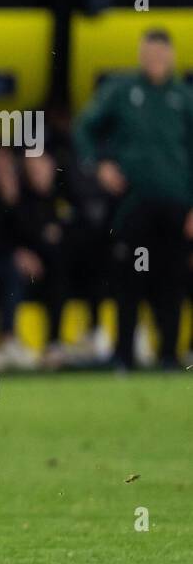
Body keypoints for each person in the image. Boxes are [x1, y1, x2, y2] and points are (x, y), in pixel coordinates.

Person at [74, 28, 193, 369]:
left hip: (176, 205)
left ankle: (169, 356)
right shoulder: (123, 92)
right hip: (134, 205)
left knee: (172, 281)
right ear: (141, 56)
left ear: (171, 57)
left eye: (160, 54)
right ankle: (124, 356)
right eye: (149, 54)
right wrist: (99, 166)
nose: (155, 60)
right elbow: (85, 128)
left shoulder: (184, 98)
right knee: (130, 278)